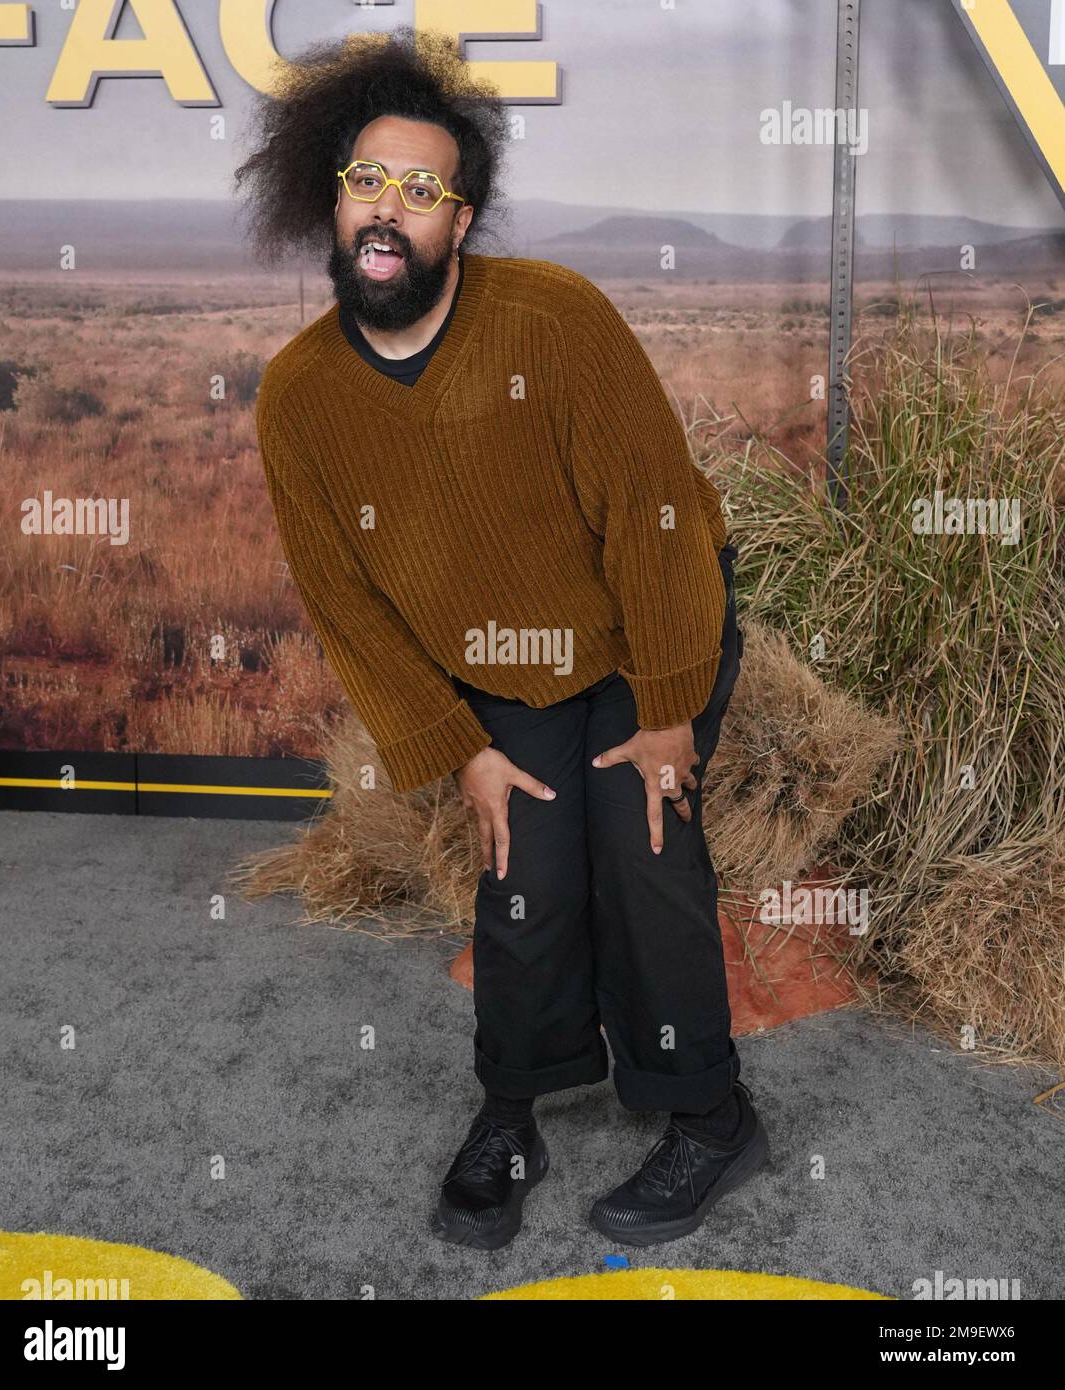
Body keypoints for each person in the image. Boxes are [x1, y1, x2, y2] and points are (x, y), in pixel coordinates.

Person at [236, 27, 769, 1251]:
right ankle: (512, 1113)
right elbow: (345, 600)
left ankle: (708, 1112)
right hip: (504, 674)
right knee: (523, 876)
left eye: (421, 191)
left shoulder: (554, 319)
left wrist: (670, 708)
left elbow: (656, 518)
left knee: (643, 852)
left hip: (645, 628)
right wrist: (457, 749)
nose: (389, 209)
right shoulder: (299, 395)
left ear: (458, 223)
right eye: (368, 180)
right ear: (330, 197)